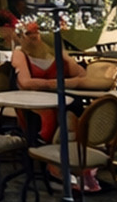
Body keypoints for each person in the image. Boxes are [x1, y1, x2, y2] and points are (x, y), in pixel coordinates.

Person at [11, 20, 99, 191]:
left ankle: (76, 163)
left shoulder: (54, 53)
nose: (34, 36)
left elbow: (82, 75)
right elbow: (25, 82)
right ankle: (55, 166)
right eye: (29, 33)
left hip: (62, 100)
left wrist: (66, 58)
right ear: (21, 37)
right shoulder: (20, 54)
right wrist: (60, 83)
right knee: (55, 116)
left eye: (37, 32)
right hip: (34, 103)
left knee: (76, 112)